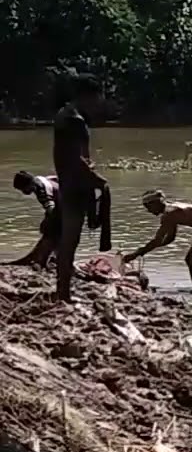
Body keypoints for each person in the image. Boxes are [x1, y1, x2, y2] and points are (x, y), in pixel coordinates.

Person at [53, 74, 112, 302]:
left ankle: (62, 291)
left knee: (67, 241)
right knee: (70, 241)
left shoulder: (63, 115)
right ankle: (64, 294)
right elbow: (77, 159)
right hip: (76, 185)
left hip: (67, 182)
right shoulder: (75, 120)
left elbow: (70, 156)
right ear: (89, 95)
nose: (100, 102)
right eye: (99, 97)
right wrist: (99, 181)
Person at [122, 191, 192, 292]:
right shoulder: (171, 211)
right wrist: (146, 250)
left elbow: (158, 239)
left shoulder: (170, 214)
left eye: (148, 207)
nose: (148, 211)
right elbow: (170, 238)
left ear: (156, 203)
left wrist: (137, 253)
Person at [8, 171, 60, 267]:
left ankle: (43, 259)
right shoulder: (41, 179)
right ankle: (54, 257)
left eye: (23, 189)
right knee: (51, 229)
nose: (23, 192)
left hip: (70, 206)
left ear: (29, 184)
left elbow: (52, 209)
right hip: (70, 199)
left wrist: (47, 221)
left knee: (50, 229)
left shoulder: (42, 192)